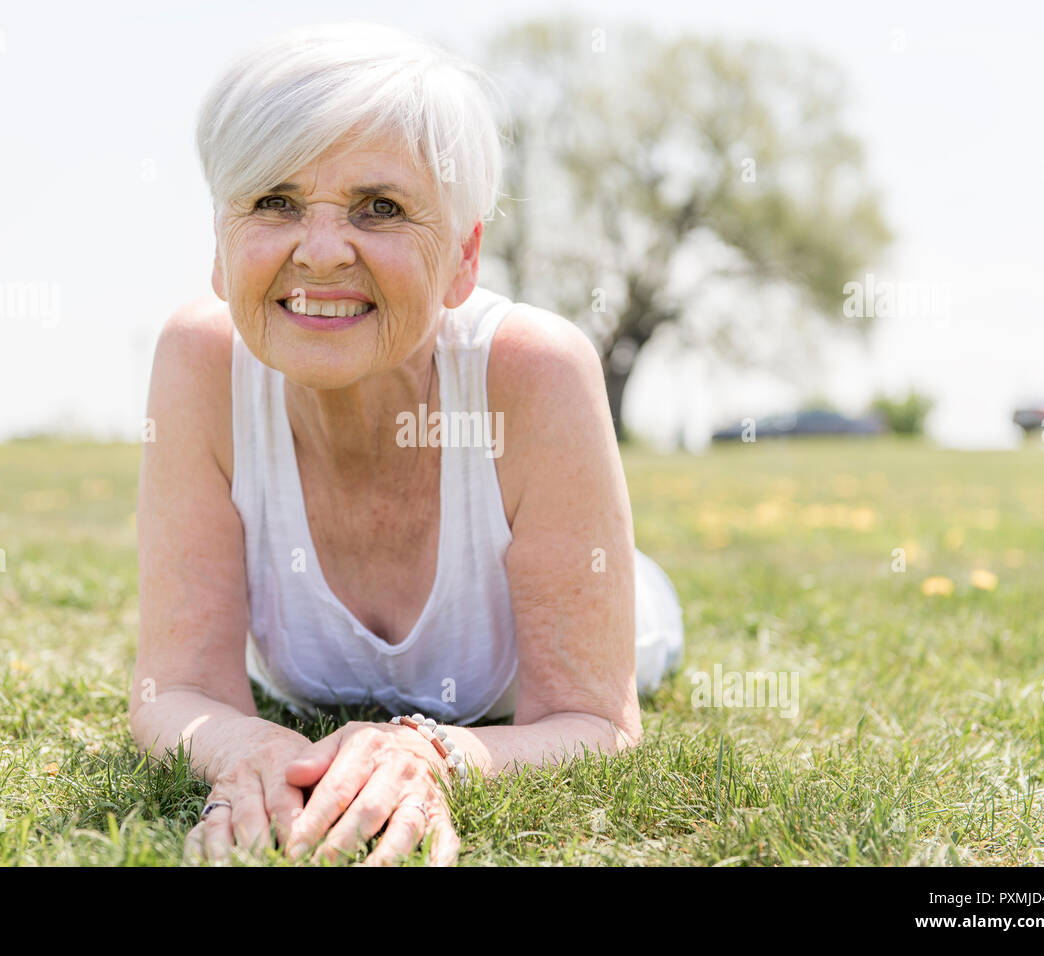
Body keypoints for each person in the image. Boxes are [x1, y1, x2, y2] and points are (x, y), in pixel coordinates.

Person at [129, 20, 684, 867]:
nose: (319, 253)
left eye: (378, 208)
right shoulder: (199, 359)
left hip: (637, 614)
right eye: (274, 202)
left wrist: (431, 750)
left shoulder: (537, 371)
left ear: (464, 259)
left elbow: (593, 722)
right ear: (218, 241)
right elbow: (177, 689)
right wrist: (250, 748)